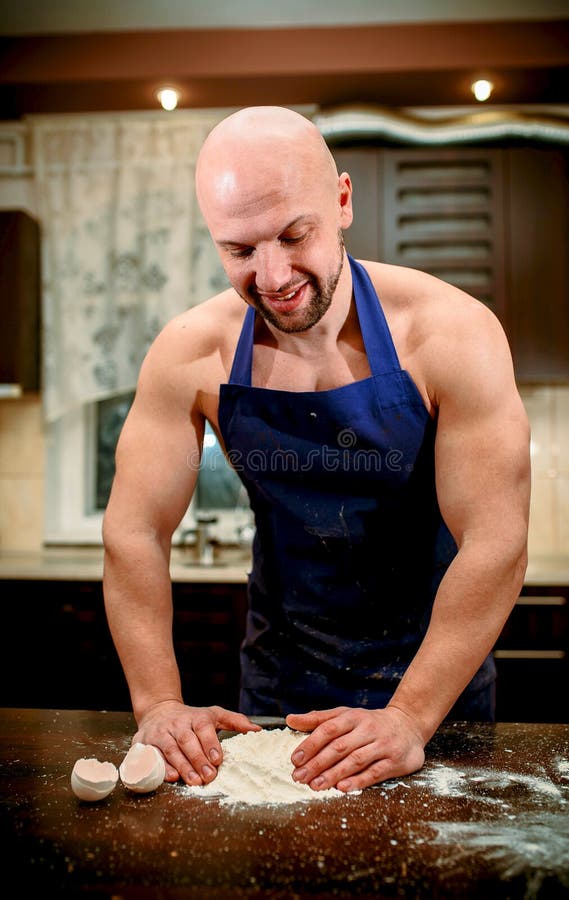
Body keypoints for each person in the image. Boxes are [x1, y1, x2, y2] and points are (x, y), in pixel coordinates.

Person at [102, 105, 531, 795]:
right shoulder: (191, 352)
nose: (272, 275)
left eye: (293, 235)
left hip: (436, 698)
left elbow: (497, 540)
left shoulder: (452, 334)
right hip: (279, 698)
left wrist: (411, 718)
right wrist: (157, 704)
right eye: (240, 251)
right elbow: (134, 530)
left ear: (341, 200)